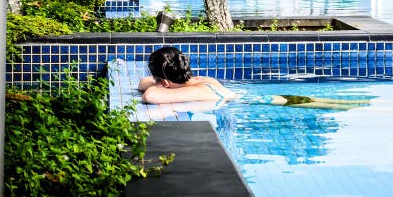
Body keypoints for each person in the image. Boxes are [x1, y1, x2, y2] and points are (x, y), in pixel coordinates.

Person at [139, 47, 372, 110]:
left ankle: (352, 104)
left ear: (166, 81)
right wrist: (162, 81)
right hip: (259, 97)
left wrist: (161, 84)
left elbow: (150, 94)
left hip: (259, 102)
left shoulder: (197, 91)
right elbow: (144, 84)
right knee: (315, 103)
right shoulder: (199, 80)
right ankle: (352, 103)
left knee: (319, 106)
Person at [139, 46, 235, 104]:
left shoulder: (195, 91)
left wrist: (161, 84)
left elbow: (149, 96)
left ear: (164, 82)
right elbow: (143, 82)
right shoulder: (199, 81)